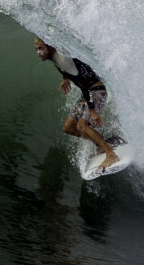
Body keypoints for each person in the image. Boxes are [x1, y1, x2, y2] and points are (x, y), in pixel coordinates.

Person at [34, 37, 120, 170]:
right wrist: (65, 78)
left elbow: (84, 84)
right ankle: (102, 143)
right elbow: (74, 66)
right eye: (36, 49)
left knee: (82, 125)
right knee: (68, 127)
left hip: (96, 91)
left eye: (40, 48)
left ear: (49, 47)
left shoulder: (62, 59)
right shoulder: (55, 59)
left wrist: (92, 110)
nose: (38, 52)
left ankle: (111, 154)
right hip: (88, 93)